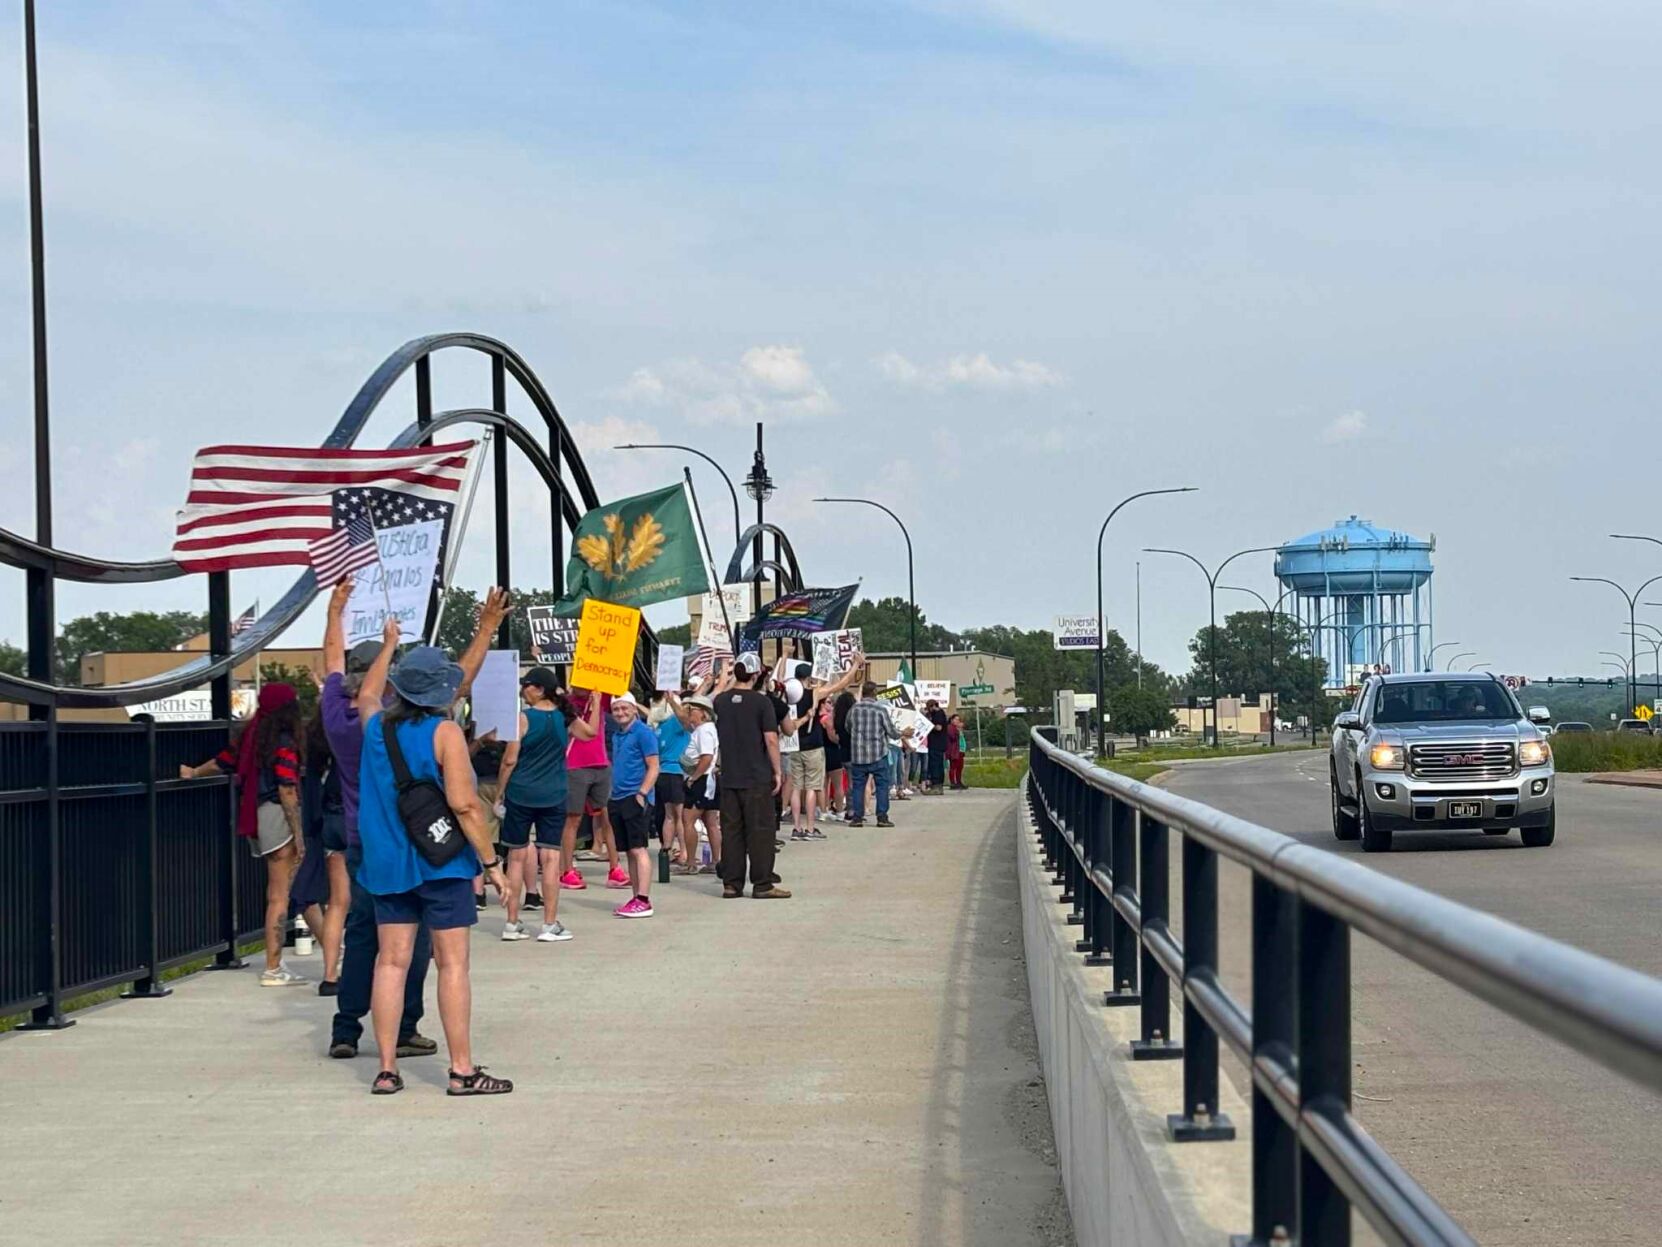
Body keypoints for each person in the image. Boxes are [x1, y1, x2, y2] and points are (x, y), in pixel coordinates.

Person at [323, 579, 509, 1061]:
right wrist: (491, 864)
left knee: (382, 952)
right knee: (441, 959)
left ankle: (366, 1049)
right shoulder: (440, 731)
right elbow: (465, 804)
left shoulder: (363, 723)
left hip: (376, 850)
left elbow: (366, 694)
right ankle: (443, 1053)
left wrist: (382, 644)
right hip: (434, 853)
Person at [180, 682, 308, 986]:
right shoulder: (285, 741)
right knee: (279, 896)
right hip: (277, 816)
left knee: (276, 893)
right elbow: (287, 788)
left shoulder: (252, 736)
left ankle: (279, 964)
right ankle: (274, 968)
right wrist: (299, 836)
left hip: (255, 814)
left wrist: (194, 772)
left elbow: (223, 761)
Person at [495, 667, 595, 943]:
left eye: (526, 685)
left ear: (539, 689)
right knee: (550, 858)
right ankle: (549, 924)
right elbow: (590, 733)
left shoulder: (523, 719)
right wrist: (595, 703)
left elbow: (510, 759)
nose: (522, 690)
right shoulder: (565, 717)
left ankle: (512, 923)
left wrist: (500, 793)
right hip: (554, 793)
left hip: (521, 793)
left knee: (515, 858)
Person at [714, 652, 788, 899]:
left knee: (731, 831)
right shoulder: (761, 703)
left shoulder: (721, 702)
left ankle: (731, 883)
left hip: (729, 774)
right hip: (756, 775)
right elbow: (771, 739)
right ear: (756, 675)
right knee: (760, 831)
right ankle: (762, 883)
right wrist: (777, 771)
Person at [290, 712, 350, 993]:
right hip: (356, 821)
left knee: (337, 903)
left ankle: (329, 975)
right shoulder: (352, 743)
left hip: (328, 824)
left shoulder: (316, 753)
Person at [557, 686, 628, 892]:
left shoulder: (601, 695)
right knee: (573, 819)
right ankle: (567, 870)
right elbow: (587, 729)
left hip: (600, 763)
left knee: (606, 817)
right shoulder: (566, 703)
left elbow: (622, 682)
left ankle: (615, 868)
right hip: (575, 766)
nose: (583, 687)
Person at [604, 692, 660, 917]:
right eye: (616, 709)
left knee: (638, 849)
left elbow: (654, 765)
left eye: (625, 708)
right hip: (617, 797)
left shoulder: (643, 733)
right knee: (628, 851)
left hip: (635, 796)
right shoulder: (618, 735)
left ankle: (644, 899)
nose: (620, 713)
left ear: (634, 709)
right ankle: (636, 897)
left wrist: (642, 793)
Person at [845, 679, 907, 828]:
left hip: (858, 755)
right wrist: (903, 733)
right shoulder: (880, 710)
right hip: (878, 753)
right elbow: (891, 732)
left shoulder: (854, 709)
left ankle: (857, 817)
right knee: (882, 786)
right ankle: (882, 817)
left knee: (858, 786)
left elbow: (847, 727)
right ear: (874, 693)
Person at [650, 690, 694, 871]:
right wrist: (673, 701)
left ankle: (665, 850)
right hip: (677, 771)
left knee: (668, 816)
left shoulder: (658, 727)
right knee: (681, 817)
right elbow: (685, 718)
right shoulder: (675, 722)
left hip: (662, 771)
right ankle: (684, 852)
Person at [681, 694, 721, 873]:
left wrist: (693, 777)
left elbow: (706, 757)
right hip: (708, 779)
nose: (688, 713)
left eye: (692, 710)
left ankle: (691, 862)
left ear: (703, 713)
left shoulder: (704, 730)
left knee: (688, 819)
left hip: (702, 779)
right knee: (710, 821)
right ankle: (716, 860)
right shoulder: (704, 729)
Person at [924, 700, 949, 793]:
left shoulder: (938, 714)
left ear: (934, 706)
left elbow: (939, 727)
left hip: (936, 744)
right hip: (938, 743)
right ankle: (938, 786)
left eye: (930, 707)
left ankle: (936, 786)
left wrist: (928, 724)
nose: (929, 710)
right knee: (938, 765)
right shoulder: (940, 713)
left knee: (935, 765)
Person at [946, 713, 967, 790]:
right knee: (953, 767)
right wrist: (958, 730)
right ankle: (953, 783)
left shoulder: (959, 729)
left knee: (960, 767)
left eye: (958, 719)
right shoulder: (950, 728)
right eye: (956, 719)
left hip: (961, 750)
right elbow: (953, 737)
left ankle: (959, 781)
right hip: (954, 750)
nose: (957, 721)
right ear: (952, 720)